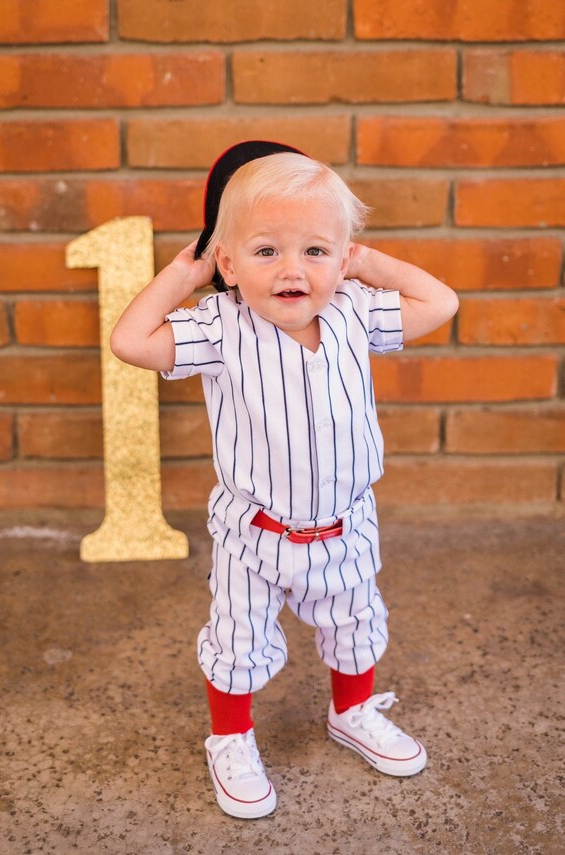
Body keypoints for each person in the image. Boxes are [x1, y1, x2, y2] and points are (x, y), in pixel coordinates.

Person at [110, 141, 459, 820]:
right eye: (266, 250)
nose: (292, 269)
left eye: (316, 251)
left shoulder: (355, 311)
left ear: (342, 259)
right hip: (255, 532)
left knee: (356, 624)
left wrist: (367, 261)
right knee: (238, 639)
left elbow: (440, 301)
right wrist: (184, 275)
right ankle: (231, 736)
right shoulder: (221, 326)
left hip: (346, 522)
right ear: (229, 263)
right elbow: (130, 341)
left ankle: (352, 711)